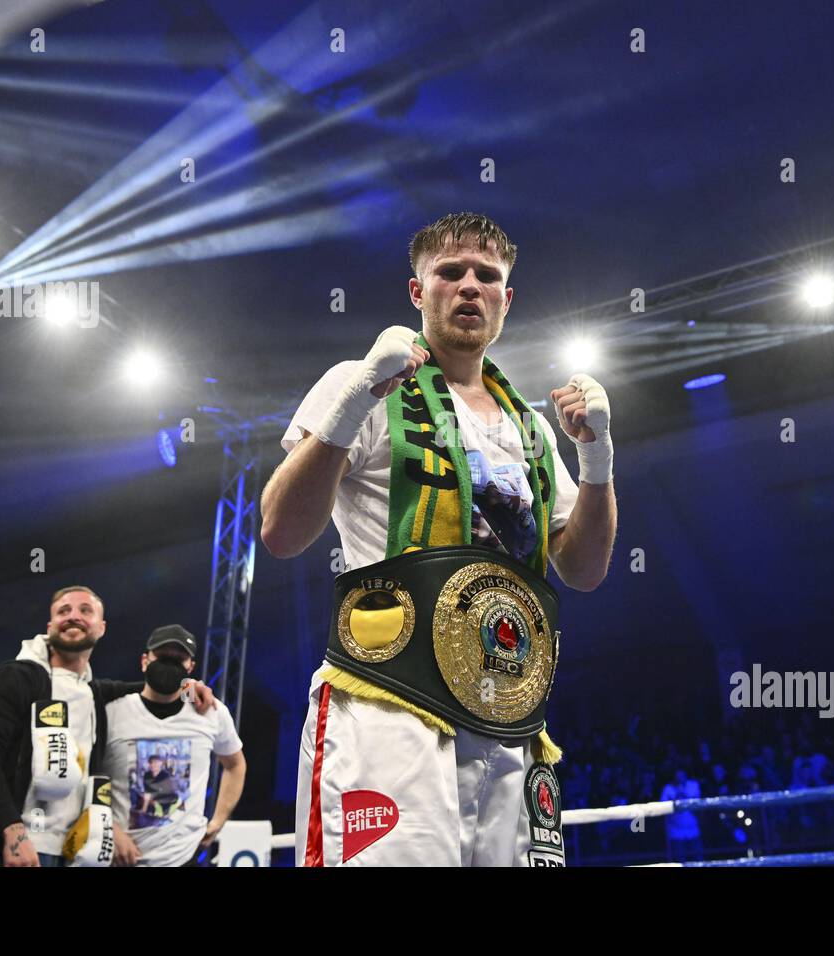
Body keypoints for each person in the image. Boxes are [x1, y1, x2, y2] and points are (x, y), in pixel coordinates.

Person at [261, 212, 618, 866]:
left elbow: (585, 569)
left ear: (507, 300)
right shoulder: (361, 381)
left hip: (508, 716)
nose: (470, 286)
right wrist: (355, 400)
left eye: (488, 276)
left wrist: (597, 459)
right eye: (450, 273)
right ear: (417, 292)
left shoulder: (531, 431)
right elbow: (281, 531)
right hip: (390, 702)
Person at [0, 587, 215, 866]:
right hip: (10, 846)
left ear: (101, 628)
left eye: (85, 611)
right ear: (50, 626)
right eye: (64, 611)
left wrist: (187, 684)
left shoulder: (94, 693)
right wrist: (12, 831)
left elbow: (149, 688)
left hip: (70, 851)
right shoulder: (15, 677)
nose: (73, 616)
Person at [106, 625, 245, 867]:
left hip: (183, 859)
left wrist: (218, 821)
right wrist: (108, 828)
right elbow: (86, 776)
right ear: (144, 661)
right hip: (118, 857)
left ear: (190, 666)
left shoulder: (210, 711)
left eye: (179, 659)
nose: (169, 664)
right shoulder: (113, 710)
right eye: (162, 657)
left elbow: (235, 764)